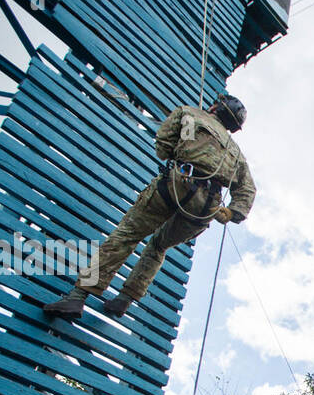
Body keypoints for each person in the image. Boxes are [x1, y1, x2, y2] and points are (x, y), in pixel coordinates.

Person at [43, 95, 256, 319]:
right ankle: (125, 300)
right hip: (205, 207)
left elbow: (164, 147)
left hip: (176, 184)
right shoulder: (237, 155)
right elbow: (247, 190)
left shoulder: (190, 115)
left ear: (215, 107)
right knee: (158, 246)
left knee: (128, 234)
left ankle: (78, 297)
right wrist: (232, 212)